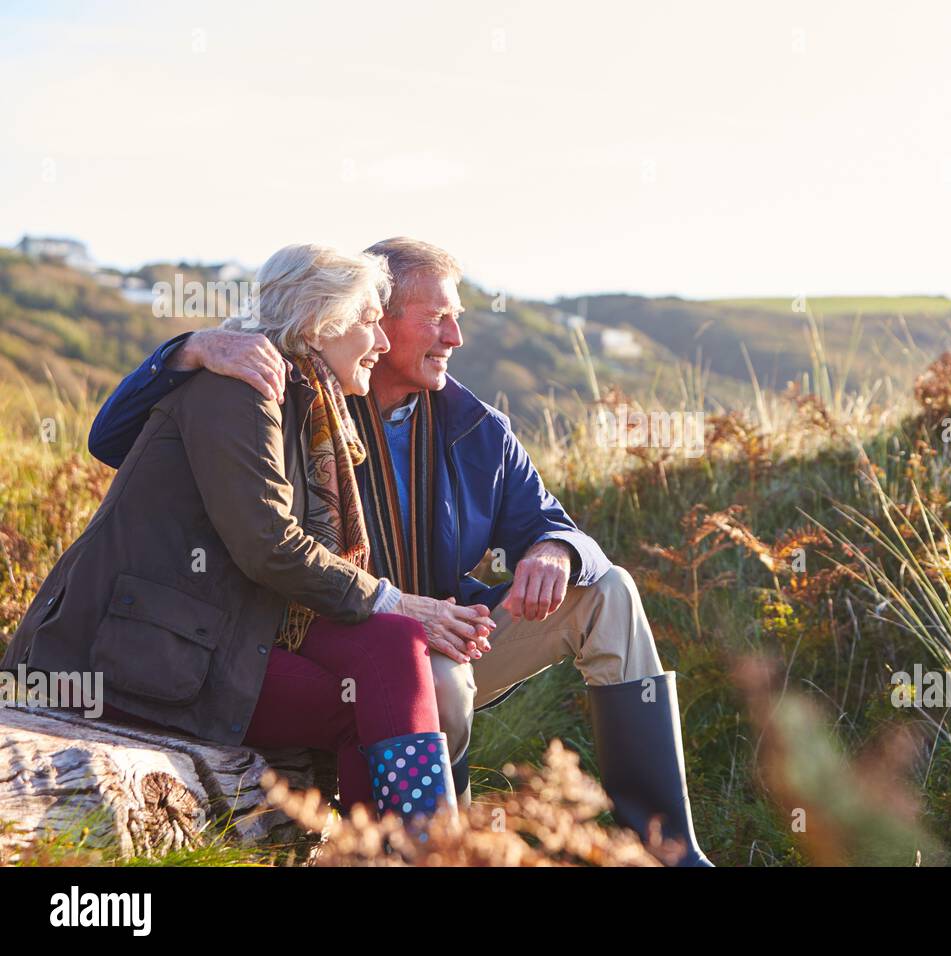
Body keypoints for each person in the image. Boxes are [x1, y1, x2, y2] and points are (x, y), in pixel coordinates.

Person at [86, 238, 713, 866]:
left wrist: (555, 548)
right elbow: (118, 442)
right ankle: (446, 844)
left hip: (447, 630)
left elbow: (550, 520)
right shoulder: (292, 397)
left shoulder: (477, 428)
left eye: (457, 316)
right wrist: (188, 349)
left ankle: (668, 850)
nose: (455, 337)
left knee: (609, 593)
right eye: (437, 318)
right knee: (428, 677)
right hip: (333, 642)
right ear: (373, 315)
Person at [1, 243, 480, 827]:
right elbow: (269, 545)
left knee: (393, 645)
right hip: (136, 649)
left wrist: (398, 612)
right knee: (373, 697)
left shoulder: (314, 401)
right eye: (369, 322)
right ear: (321, 323)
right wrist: (393, 597)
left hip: (227, 624)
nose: (380, 344)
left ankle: (422, 852)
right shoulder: (240, 386)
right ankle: (416, 851)